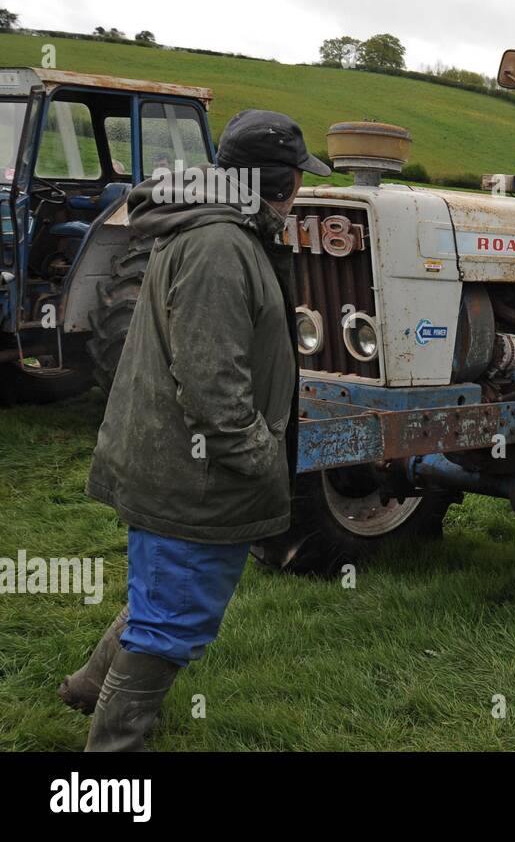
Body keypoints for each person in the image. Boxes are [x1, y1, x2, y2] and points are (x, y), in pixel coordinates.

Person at [61, 110, 330, 751]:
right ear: (284, 184)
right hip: (196, 471)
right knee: (172, 620)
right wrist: (259, 456)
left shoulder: (222, 230)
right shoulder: (218, 246)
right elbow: (213, 386)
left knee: (162, 596)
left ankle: (84, 689)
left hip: (174, 459)